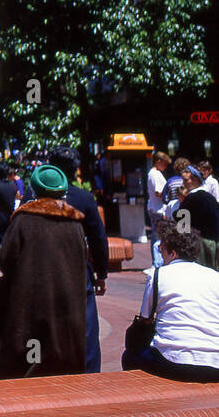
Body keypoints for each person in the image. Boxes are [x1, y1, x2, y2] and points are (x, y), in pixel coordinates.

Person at [0, 164, 89, 379]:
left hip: (28, 310)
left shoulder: (24, 219)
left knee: (28, 362)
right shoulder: (75, 223)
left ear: (34, 189)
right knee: (60, 368)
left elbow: (6, 260)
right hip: (66, 311)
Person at [122, 216, 219, 381]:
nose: (160, 253)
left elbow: (145, 320)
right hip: (215, 365)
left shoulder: (158, 274)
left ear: (172, 253)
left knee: (129, 356)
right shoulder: (214, 276)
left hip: (174, 363)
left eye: (161, 249)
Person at [49, 145, 108, 373]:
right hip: (76, 270)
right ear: (74, 171)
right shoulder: (83, 198)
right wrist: (101, 274)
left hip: (41, 271)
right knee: (87, 328)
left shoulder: (30, 198)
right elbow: (98, 239)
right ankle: (89, 373)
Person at [167, 165, 219, 270]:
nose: (183, 183)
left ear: (195, 180)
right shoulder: (209, 197)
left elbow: (182, 226)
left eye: (186, 180)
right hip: (213, 243)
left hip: (200, 245)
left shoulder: (192, 198)